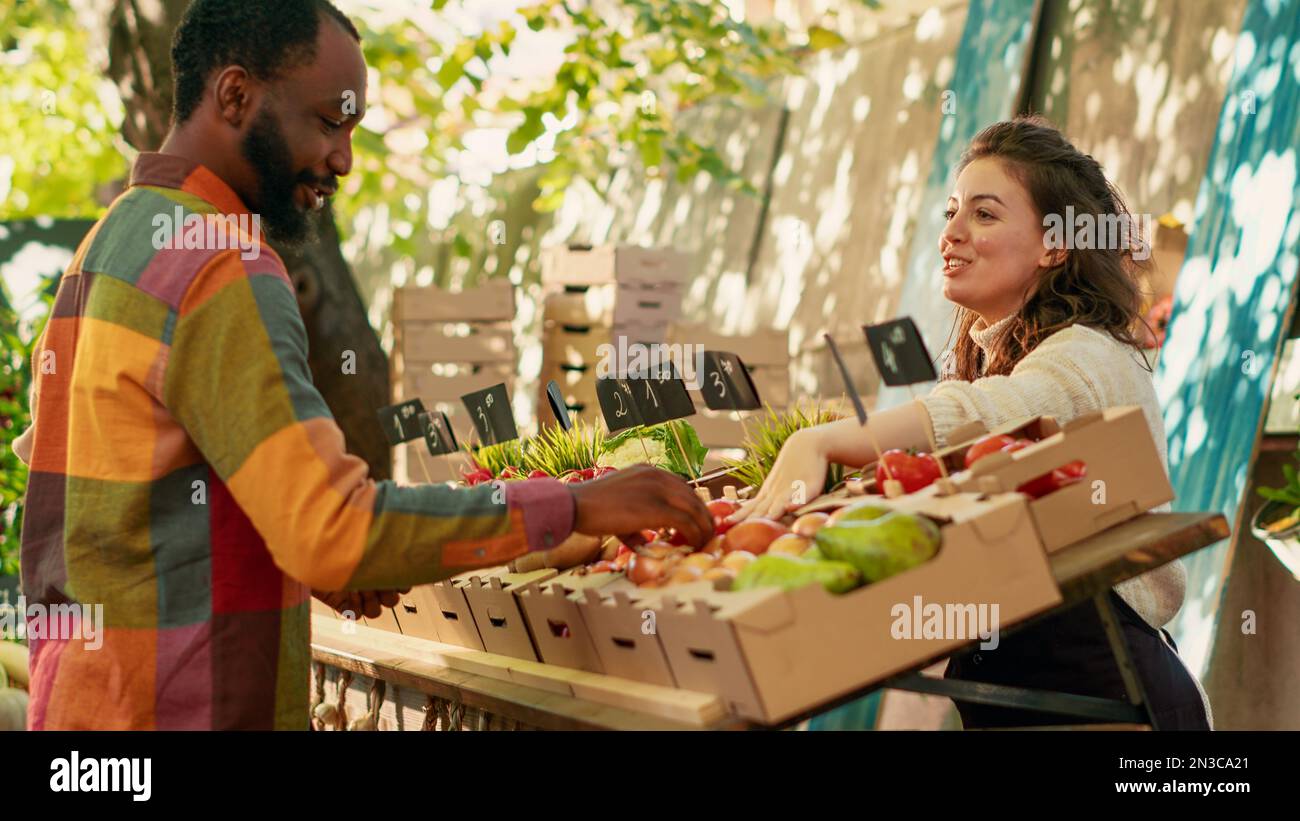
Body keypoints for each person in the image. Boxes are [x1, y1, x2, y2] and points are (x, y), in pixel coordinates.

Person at [13, 0, 712, 730]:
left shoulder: (109, 246)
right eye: (327, 121)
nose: (343, 158)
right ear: (234, 95)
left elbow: (119, 496)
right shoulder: (224, 262)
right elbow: (333, 529)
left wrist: (295, 560)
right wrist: (578, 504)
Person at [733, 116, 1210, 730]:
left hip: (1117, 705)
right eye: (951, 212)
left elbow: (999, 412)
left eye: (984, 215)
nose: (951, 234)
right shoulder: (998, 359)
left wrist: (824, 439)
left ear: (1055, 244)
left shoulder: (1084, 354)